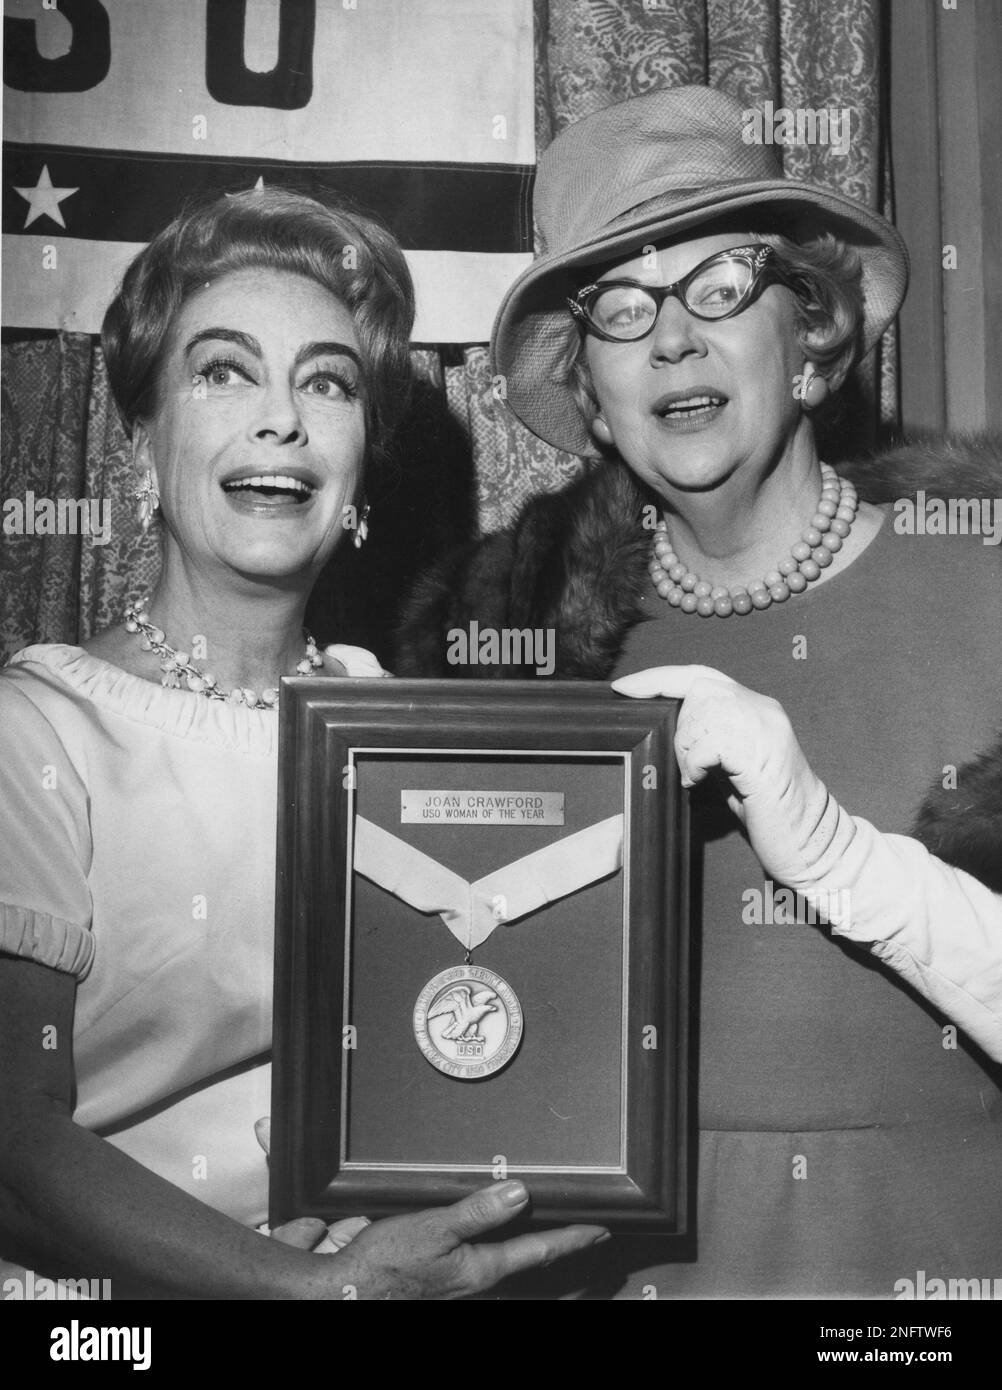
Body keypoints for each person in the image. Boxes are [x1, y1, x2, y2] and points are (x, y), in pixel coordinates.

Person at [396, 87, 1002, 1299]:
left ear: (814, 335)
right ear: (594, 393)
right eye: (621, 312)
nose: (672, 341)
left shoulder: (983, 579)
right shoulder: (504, 651)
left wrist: (828, 845)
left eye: (719, 286)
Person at [0, 187, 606, 1300]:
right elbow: (12, 1146)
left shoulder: (392, 723)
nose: (279, 418)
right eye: (223, 370)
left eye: (325, 382)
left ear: (363, 470)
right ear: (142, 441)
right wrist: (315, 1291)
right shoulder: (37, 730)